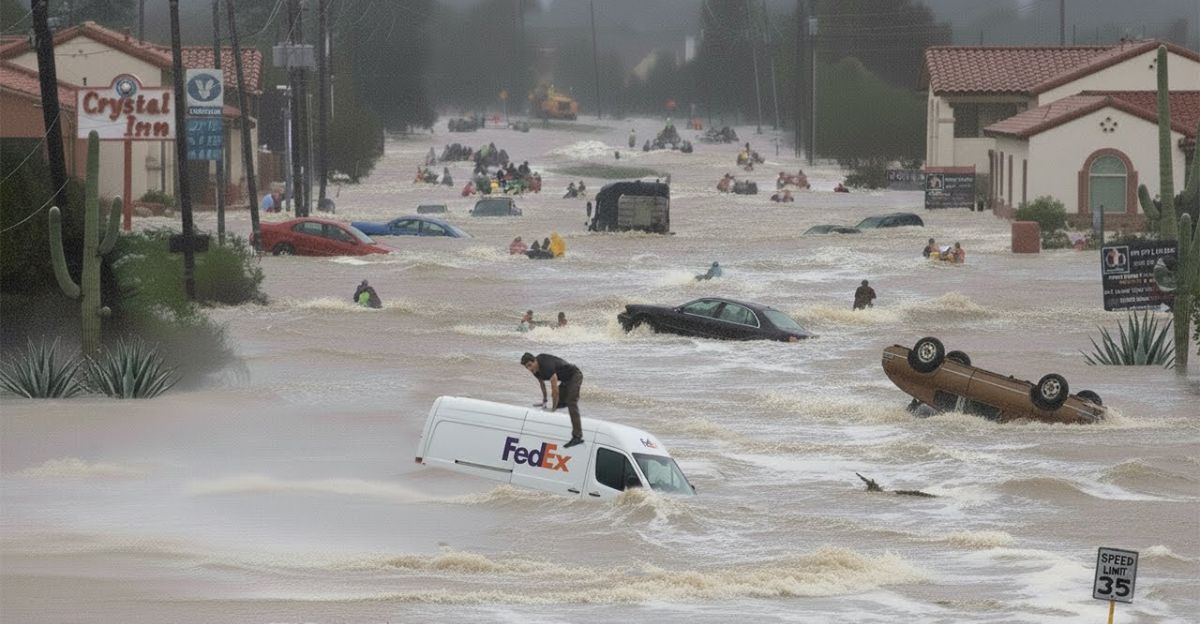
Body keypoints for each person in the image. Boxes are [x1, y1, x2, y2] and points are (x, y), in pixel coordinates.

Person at [521, 352, 584, 447]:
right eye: (527, 367)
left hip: (575, 376)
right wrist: (544, 400)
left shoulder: (546, 365)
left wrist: (553, 409)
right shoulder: (535, 370)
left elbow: (555, 391)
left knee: (571, 402)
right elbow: (542, 384)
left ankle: (577, 437)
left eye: (530, 365)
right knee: (560, 404)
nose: (530, 369)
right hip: (565, 380)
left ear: (535, 361)